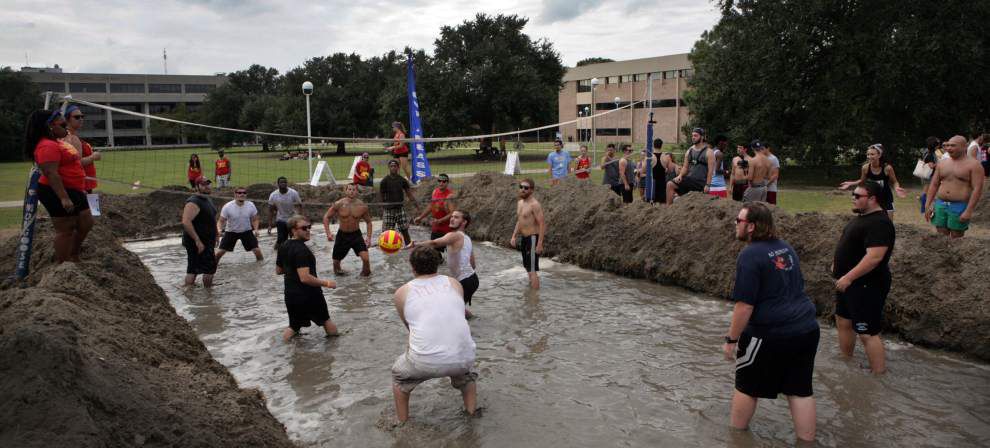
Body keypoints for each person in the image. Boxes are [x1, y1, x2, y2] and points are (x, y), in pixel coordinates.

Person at [725, 202, 819, 443]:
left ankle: (735, 438)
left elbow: (745, 306)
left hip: (771, 333)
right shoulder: (785, 247)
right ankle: (807, 442)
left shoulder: (749, 255)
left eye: (739, 221)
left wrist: (731, 340)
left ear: (751, 227)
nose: (735, 224)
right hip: (807, 328)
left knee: (747, 386)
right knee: (799, 390)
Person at [391, 246, 478, 423]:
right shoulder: (454, 283)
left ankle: (403, 424)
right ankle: (471, 414)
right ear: (438, 264)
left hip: (425, 361)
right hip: (464, 357)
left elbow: (410, 328)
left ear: (412, 266)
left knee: (399, 377)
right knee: (467, 376)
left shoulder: (401, 293)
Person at [832, 181, 895, 374]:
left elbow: (874, 257)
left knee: (867, 332)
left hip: (866, 284)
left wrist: (848, 277)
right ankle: (846, 362)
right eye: (853, 195)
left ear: (873, 199)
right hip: (848, 283)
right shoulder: (862, 218)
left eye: (858, 196)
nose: (854, 198)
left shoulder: (880, 223)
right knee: (843, 321)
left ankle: (878, 374)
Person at [26, 109, 93, 264]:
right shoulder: (46, 146)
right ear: (50, 125)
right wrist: (63, 198)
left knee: (86, 222)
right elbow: (51, 173)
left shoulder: (56, 142)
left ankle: (74, 256)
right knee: (66, 229)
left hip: (72, 189)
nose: (66, 125)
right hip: (55, 191)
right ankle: (63, 265)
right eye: (62, 122)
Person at [276, 214, 340, 342]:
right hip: (309, 294)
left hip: (291, 295)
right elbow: (305, 278)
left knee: (293, 327)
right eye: (304, 228)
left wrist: (293, 270)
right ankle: (336, 350)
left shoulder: (283, 246)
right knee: (327, 322)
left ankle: (285, 352)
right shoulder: (301, 250)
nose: (308, 230)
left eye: (309, 227)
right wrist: (327, 283)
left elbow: (279, 270)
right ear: (294, 230)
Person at [412, 210, 478, 318]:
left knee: (453, 310)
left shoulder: (455, 235)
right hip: (471, 279)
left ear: (464, 222)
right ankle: (474, 321)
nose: (451, 219)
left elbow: (435, 243)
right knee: (455, 308)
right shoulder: (467, 238)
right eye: (451, 216)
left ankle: (469, 328)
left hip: (465, 281)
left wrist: (414, 245)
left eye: (456, 217)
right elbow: (473, 264)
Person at [924, 135, 985, 238]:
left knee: (956, 238)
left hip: (959, 206)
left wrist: (969, 211)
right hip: (940, 204)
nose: (948, 148)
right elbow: (934, 185)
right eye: (947, 145)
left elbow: (977, 189)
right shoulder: (942, 163)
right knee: (940, 236)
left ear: (964, 147)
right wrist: (927, 204)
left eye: (953, 146)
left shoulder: (974, 165)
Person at [839, 144, 907, 217]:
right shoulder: (865, 168)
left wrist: (897, 188)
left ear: (879, 155)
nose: (869, 156)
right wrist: (851, 183)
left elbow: (895, 182)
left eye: (872, 154)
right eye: (868, 154)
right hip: (871, 198)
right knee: (867, 219)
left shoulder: (887, 168)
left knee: (888, 222)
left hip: (886, 198)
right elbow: (862, 181)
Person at [323, 183, 372, 276]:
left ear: (357, 191)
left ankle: (364, 283)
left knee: (366, 259)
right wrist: (328, 233)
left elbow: (369, 222)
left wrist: (368, 238)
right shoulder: (339, 204)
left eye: (354, 189)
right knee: (336, 264)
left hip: (356, 235)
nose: (352, 191)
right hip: (342, 235)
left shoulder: (362, 206)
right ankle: (342, 282)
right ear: (346, 191)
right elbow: (326, 217)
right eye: (349, 189)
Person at [181, 176, 218, 287]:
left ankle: (194, 293)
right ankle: (208, 294)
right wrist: (197, 241)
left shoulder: (207, 199)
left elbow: (211, 218)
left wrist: (216, 233)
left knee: (196, 268)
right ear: (197, 187)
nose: (207, 186)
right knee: (202, 268)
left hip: (206, 240)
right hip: (198, 242)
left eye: (208, 183)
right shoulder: (193, 201)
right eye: (203, 184)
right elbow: (186, 222)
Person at [509, 178, 545, 289]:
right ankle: (531, 294)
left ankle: (535, 300)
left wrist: (539, 244)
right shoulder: (520, 203)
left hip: (533, 238)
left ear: (532, 190)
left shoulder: (535, 205)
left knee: (532, 269)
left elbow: (542, 224)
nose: (522, 190)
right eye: (521, 187)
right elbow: (520, 221)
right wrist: (514, 236)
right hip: (524, 238)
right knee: (526, 266)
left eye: (526, 188)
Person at [666, 128, 715, 205]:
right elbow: (685, 167)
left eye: (695, 135)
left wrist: (708, 185)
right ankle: (668, 209)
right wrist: (680, 175)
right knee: (670, 184)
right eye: (692, 135)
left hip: (700, 182)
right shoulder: (689, 151)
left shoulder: (709, 152)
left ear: (702, 137)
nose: (693, 137)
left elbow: (710, 171)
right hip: (689, 180)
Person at [215, 187, 263, 264]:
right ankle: (212, 267)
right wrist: (219, 229)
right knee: (219, 253)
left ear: (246, 195)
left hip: (246, 231)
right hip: (231, 232)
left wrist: (256, 229)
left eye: (244, 193)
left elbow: (255, 219)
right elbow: (221, 221)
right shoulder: (227, 206)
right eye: (239, 193)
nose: (242, 194)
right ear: (235, 194)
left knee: (257, 251)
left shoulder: (251, 205)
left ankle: (260, 267)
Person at [380, 159, 420, 245]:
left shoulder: (402, 180)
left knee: (404, 230)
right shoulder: (384, 181)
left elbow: (409, 194)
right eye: (391, 166)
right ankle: (387, 251)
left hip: (400, 209)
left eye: (395, 166)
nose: (393, 168)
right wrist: (383, 210)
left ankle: (408, 247)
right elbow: (382, 197)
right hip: (388, 210)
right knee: (387, 233)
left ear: (398, 168)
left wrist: (416, 205)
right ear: (389, 168)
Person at [62, 105, 100, 193]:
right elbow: (77, 163)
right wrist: (93, 157)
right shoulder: (70, 137)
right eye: (77, 117)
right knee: (86, 206)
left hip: (84, 182)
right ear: (67, 119)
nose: (81, 119)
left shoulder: (71, 135)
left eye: (82, 116)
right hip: (81, 184)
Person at [414, 173, 454, 253]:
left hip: (446, 229)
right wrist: (420, 217)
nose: (441, 183)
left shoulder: (449, 196)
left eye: (444, 181)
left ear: (447, 183)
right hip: (435, 227)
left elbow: (452, 213)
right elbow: (430, 206)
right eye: (439, 181)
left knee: (445, 253)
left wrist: (440, 220)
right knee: (434, 252)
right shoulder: (435, 192)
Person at [268, 177, 302, 250]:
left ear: (287, 184)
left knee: (295, 237)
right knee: (281, 239)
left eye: (285, 182)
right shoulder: (273, 195)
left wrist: (300, 218)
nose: (283, 184)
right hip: (280, 219)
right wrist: (270, 224)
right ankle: (276, 251)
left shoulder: (293, 193)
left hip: (292, 219)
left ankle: (294, 251)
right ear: (278, 184)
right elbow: (270, 210)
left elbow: (300, 205)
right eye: (281, 182)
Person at [918, 137, 940, 214]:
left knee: (926, 191)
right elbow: (931, 166)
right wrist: (939, 164)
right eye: (937, 144)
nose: (939, 146)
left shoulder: (926, 152)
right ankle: (923, 209)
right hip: (929, 175)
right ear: (935, 146)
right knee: (926, 192)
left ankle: (924, 208)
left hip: (926, 175)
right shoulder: (931, 154)